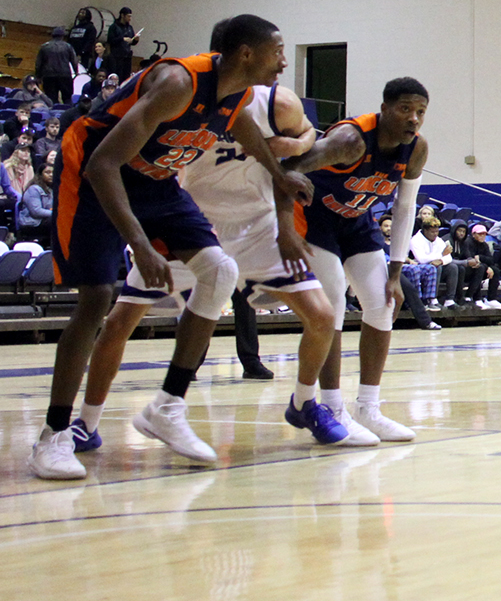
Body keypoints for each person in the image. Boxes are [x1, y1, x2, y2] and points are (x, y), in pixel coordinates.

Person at [29, 15, 309, 480]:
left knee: (219, 272)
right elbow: (103, 164)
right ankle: (54, 435)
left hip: (155, 180)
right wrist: (140, 244)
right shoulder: (179, 83)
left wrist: (280, 177)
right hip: (95, 172)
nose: (283, 62)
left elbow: (243, 128)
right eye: (278, 51)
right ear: (246, 54)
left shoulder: (237, 93)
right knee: (97, 298)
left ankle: (167, 406)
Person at [74, 74, 357, 453]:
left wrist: (296, 144)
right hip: (193, 223)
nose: (281, 63)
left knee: (322, 316)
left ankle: (303, 403)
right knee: (119, 322)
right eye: (274, 52)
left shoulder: (279, 103)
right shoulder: (188, 98)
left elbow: (308, 135)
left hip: (258, 226)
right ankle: (87, 422)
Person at [286, 77, 431, 444]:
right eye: (405, 109)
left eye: (420, 112)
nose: (413, 118)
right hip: (314, 218)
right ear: (384, 109)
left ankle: (368, 408)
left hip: (355, 220)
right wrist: (282, 227)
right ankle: (332, 408)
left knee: (383, 302)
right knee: (333, 300)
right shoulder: (349, 141)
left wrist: (395, 272)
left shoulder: (416, 148)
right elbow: (289, 169)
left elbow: (405, 207)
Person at [37, 27, 78, 106]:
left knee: (51, 99)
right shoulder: (68, 46)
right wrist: (76, 72)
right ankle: (66, 111)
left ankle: (53, 112)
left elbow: (39, 64)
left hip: (49, 75)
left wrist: (38, 76)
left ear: (52, 35)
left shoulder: (45, 46)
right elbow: (74, 61)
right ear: (62, 36)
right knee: (67, 98)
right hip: (65, 75)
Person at [17, 162, 54, 241]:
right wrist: (57, 213)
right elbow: (36, 212)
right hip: (32, 223)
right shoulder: (34, 189)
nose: (51, 175)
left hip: (45, 219)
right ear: (40, 175)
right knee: (55, 220)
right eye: (47, 172)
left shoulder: (53, 189)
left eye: (53, 172)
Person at [106, 7, 142, 80]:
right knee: (117, 75)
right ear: (122, 15)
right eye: (128, 16)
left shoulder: (129, 27)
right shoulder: (114, 27)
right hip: (117, 56)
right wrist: (122, 39)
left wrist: (135, 40)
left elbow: (132, 42)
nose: (130, 18)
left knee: (126, 76)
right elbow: (110, 40)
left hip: (127, 56)